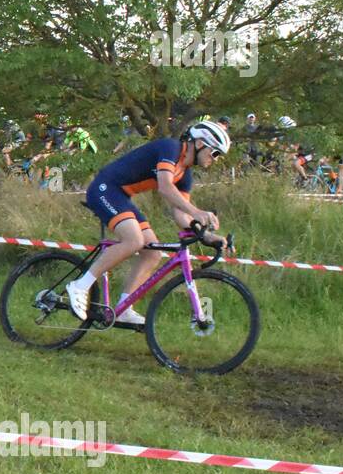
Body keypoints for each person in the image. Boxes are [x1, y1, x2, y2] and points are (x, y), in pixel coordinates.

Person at [66, 120, 231, 326]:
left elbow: (181, 216)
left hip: (122, 196)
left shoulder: (185, 175)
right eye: (215, 153)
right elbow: (164, 187)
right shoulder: (170, 148)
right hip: (105, 188)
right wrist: (197, 211)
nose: (215, 159)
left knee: (153, 253)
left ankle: (124, 308)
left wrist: (206, 236)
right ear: (199, 144)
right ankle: (80, 286)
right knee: (134, 240)